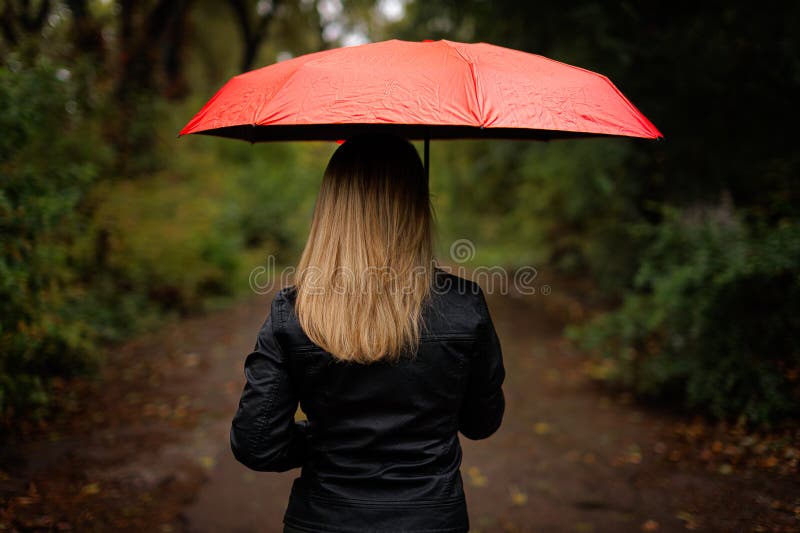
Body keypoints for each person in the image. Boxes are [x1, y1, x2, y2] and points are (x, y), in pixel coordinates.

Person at [230, 135, 505, 533]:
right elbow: (483, 422)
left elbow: (256, 442)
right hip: (430, 520)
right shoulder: (464, 305)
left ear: (331, 210)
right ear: (415, 207)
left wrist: (328, 440)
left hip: (325, 519)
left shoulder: (295, 311)